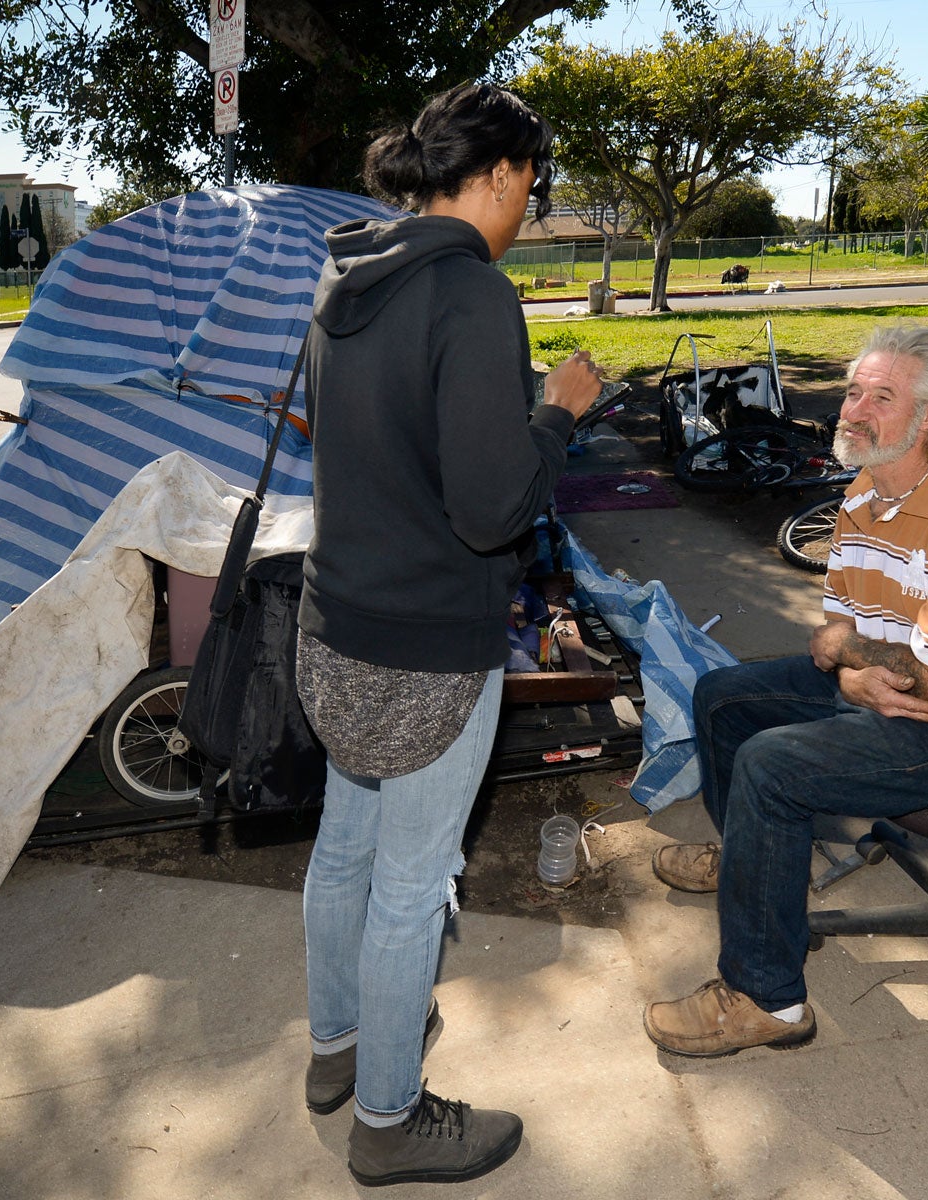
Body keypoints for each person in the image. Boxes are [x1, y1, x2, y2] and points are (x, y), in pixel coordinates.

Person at [294, 83, 603, 1187]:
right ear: (505, 174)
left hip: (334, 626)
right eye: (535, 185)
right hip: (428, 642)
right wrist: (559, 411)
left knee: (346, 850)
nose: (530, 205)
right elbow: (492, 507)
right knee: (411, 886)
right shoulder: (471, 294)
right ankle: (387, 1118)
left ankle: (336, 1053)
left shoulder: (346, 274)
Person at [644, 321, 928, 1057]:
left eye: (881, 396)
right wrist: (855, 672)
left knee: (772, 764)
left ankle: (769, 1000)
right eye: (855, 390)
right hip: (880, 690)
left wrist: (850, 660)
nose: (853, 409)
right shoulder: (861, 496)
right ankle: (749, 863)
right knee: (722, 695)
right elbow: (833, 637)